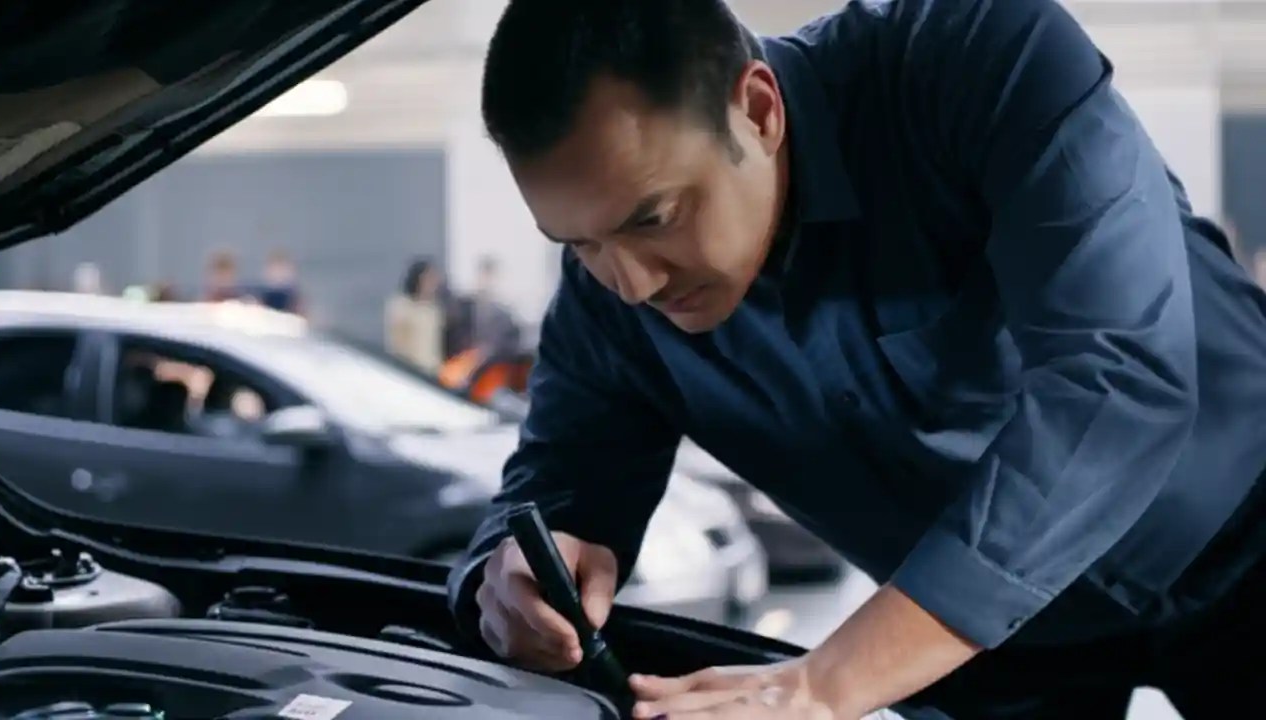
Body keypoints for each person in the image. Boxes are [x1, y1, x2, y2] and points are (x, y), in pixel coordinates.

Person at [446, 1, 1266, 719]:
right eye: (577, 242)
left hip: (1245, 533)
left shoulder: (972, 55)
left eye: (654, 218)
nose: (627, 283)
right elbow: (556, 489)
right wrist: (515, 578)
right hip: (981, 643)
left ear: (758, 110)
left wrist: (823, 687)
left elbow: (1118, 381)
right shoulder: (609, 298)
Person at [385, 258, 447, 373]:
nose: (433, 284)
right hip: (410, 371)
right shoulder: (401, 306)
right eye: (428, 279)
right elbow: (397, 345)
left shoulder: (433, 309)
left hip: (432, 372)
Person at [258, 247, 304, 315]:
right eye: (276, 269)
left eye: (281, 269)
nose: (278, 274)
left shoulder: (294, 296)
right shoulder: (262, 293)